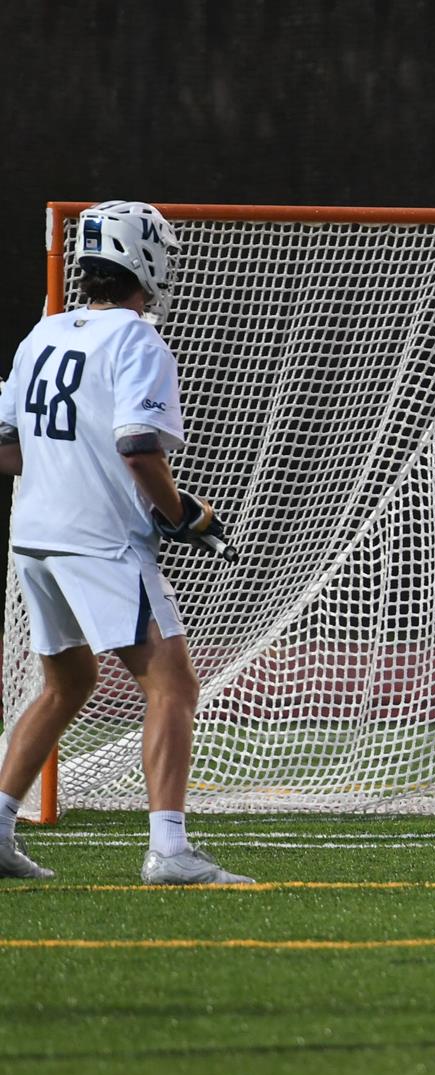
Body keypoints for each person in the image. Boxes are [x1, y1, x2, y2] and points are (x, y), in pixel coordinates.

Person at [0, 200, 250, 884]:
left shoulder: (41, 334)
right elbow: (139, 448)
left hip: (34, 535)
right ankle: (169, 850)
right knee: (172, 682)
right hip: (100, 540)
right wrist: (182, 514)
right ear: (146, 259)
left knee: (68, 681)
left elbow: (7, 451)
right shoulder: (136, 340)